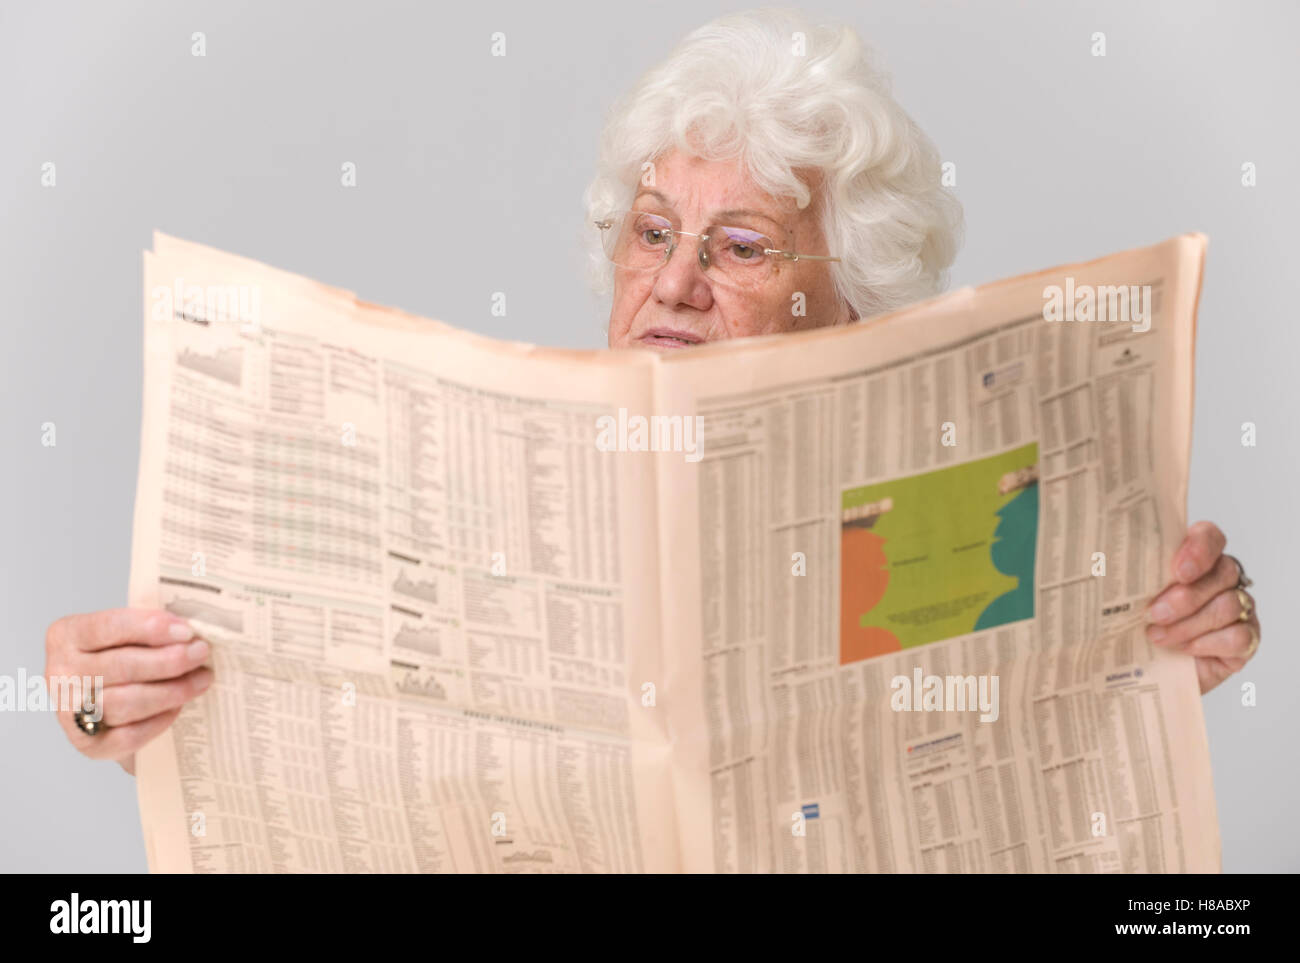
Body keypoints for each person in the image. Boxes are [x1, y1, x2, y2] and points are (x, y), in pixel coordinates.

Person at [44, 9, 1260, 776]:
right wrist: (115, 711)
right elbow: (274, 733)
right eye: (650, 232)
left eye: (738, 247)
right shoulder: (458, 483)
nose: (673, 281)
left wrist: (1158, 670)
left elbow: (1041, 786)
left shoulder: (943, 524)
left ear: (852, 295)